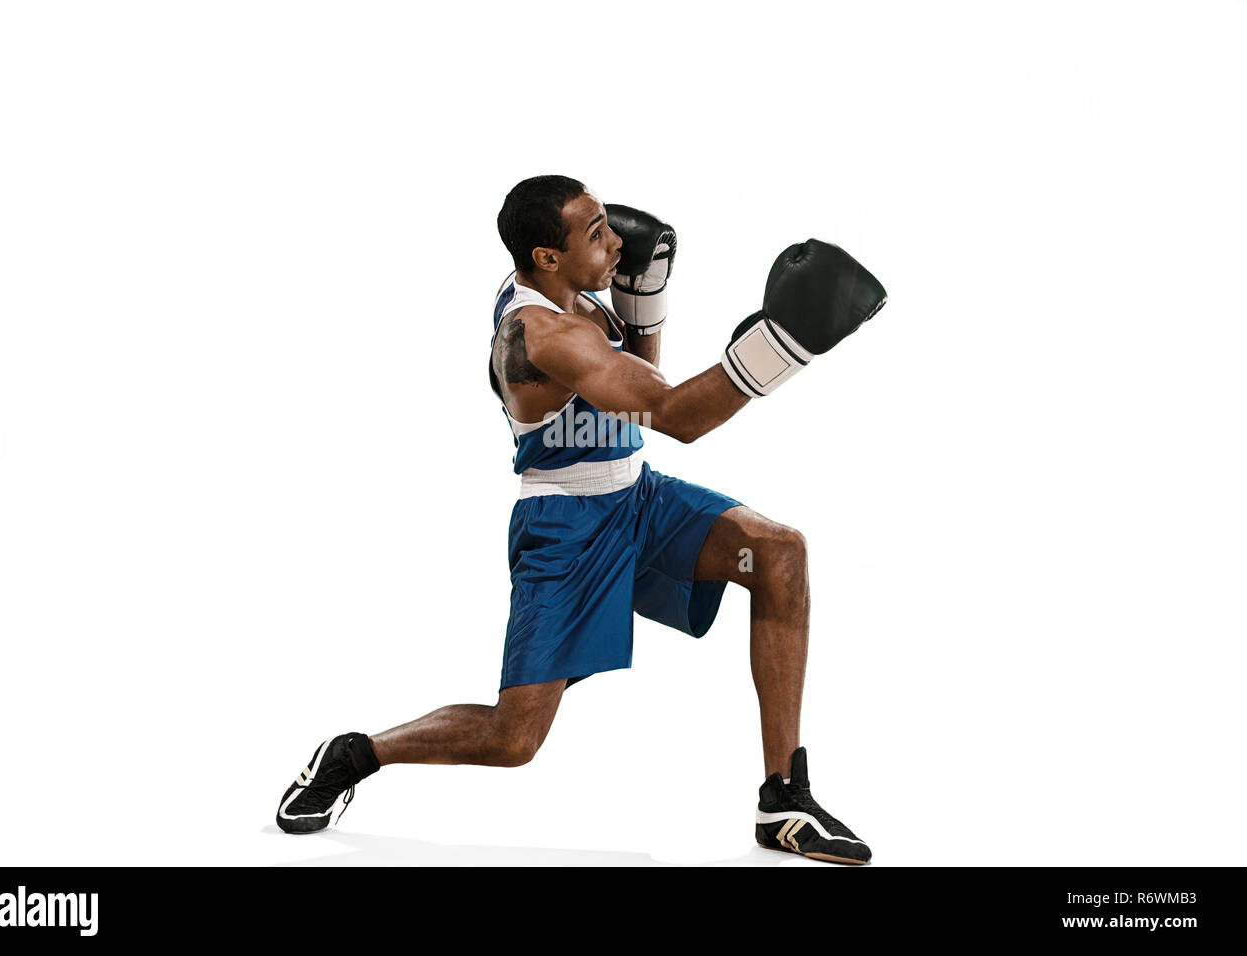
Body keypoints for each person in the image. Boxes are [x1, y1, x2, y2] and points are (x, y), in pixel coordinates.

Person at [275, 175, 887, 864]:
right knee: (514, 740)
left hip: (641, 500)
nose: (617, 240)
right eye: (596, 233)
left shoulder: (579, 296)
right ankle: (356, 754)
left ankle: (782, 798)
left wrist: (643, 310)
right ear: (546, 257)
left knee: (778, 554)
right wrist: (784, 344)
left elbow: (643, 394)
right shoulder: (542, 335)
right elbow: (679, 417)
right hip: (568, 532)